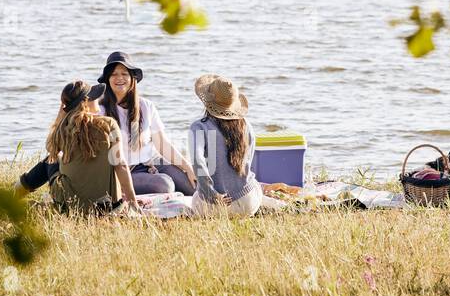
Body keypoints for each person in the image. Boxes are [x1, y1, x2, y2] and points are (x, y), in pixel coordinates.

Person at [18, 51, 197, 197]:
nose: (120, 78)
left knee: (192, 186)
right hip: (122, 172)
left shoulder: (146, 106)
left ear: (133, 78)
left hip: (151, 163)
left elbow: (163, 144)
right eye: (114, 74)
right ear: (107, 80)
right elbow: (68, 131)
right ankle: (23, 185)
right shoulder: (99, 108)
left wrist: (188, 167)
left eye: (124, 74)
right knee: (165, 185)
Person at [188, 73, 277, 217]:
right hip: (248, 203)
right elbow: (248, 161)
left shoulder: (199, 127)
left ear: (208, 100)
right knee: (254, 185)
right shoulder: (246, 125)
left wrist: (212, 195)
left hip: (213, 207)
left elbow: (198, 163)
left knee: (195, 198)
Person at [44, 81, 140, 214]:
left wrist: (61, 117)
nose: (99, 99)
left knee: (49, 161)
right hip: (107, 207)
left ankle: (20, 189)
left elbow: (51, 150)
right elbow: (121, 165)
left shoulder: (63, 130)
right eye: (94, 97)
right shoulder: (108, 125)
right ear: (85, 103)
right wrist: (132, 202)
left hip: (71, 207)